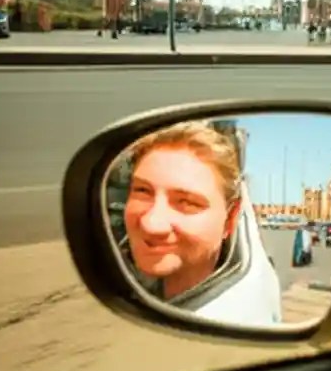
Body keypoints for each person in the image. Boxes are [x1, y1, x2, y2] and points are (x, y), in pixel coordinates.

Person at [119, 120, 283, 327]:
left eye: (187, 203)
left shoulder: (237, 321)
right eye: (142, 191)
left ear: (230, 219)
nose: (151, 223)